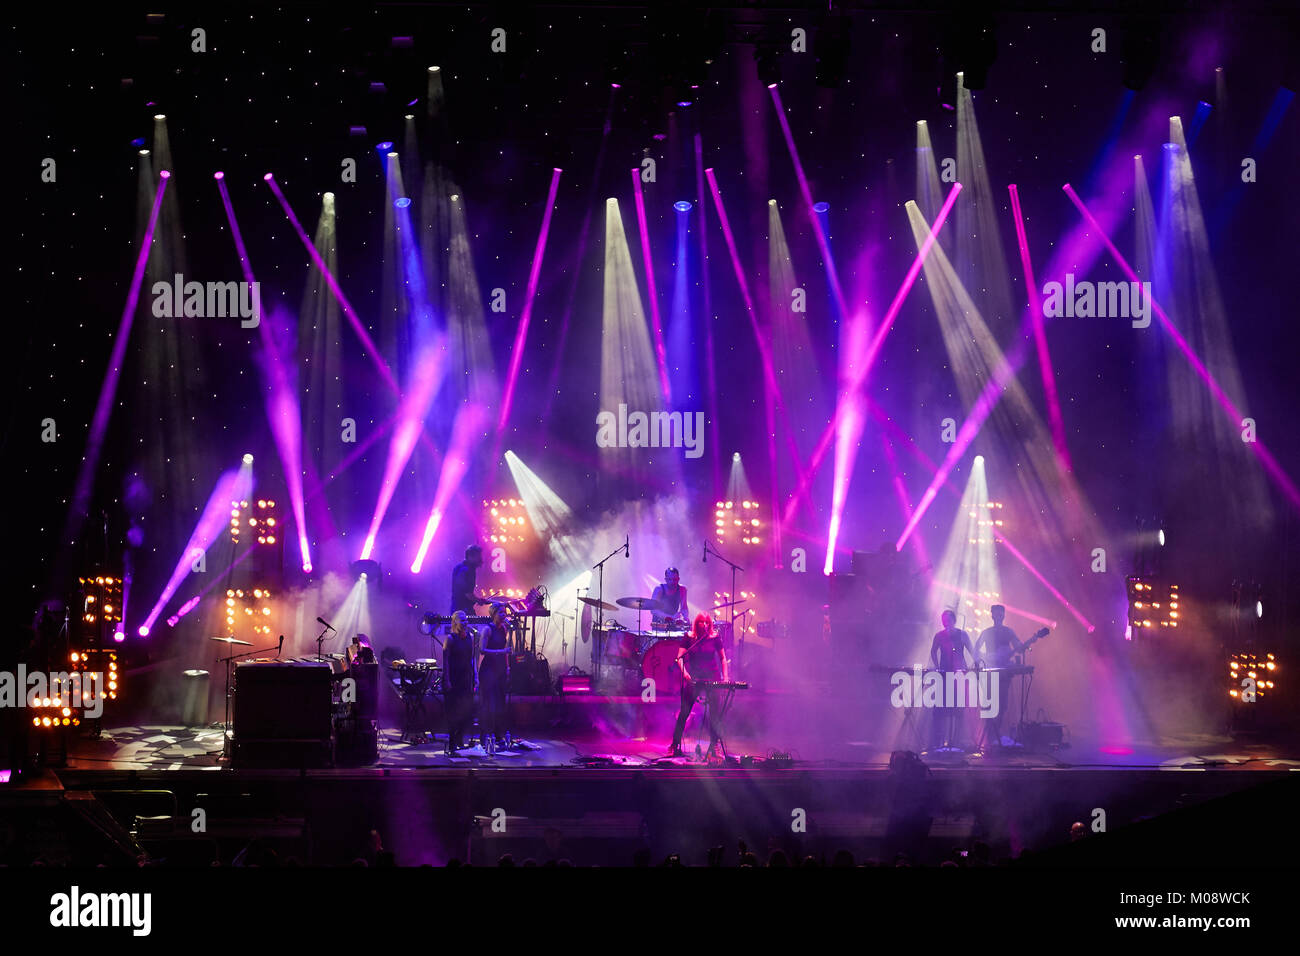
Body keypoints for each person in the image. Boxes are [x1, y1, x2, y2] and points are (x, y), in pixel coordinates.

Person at [670, 613, 729, 760]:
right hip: (694, 678)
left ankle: (715, 746)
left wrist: (725, 677)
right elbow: (679, 657)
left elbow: (722, 658)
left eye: (707, 622)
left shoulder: (715, 637)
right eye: (702, 622)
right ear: (696, 624)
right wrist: (685, 673)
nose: (705, 625)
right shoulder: (689, 637)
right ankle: (675, 744)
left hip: (712, 676)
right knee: (684, 711)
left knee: (715, 713)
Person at [975, 604, 1024, 749]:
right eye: (996, 614)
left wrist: (1023, 646)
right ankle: (990, 736)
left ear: (1004, 616)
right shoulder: (986, 632)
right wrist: (985, 657)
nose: (998, 616)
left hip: (1004, 673)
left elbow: (1018, 647)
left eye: (1001, 614)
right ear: (991, 615)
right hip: (990, 672)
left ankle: (995, 736)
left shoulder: (1009, 631)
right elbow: (975, 649)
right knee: (991, 704)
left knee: (1002, 705)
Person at [929, 609, 973, 750]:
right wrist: (937, 667)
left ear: (954, 620)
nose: (945, 622)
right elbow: (933, 651)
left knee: (958, 708)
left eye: (947, 619)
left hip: (959, 674)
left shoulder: (962, 634)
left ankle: (956, 740)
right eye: (943, 620)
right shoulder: (939, 636)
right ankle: (940, 741)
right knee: (941, 708)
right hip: (944, 674)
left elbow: (972, 651)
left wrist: (975, 664)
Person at [442, 611, 477, 753]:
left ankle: (459, 739)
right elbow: (445, 662)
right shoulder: (450, 639)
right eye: (462, 620)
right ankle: (452, 743)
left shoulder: (471, 637)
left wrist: (476, 676)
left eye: (466, 620)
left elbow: (472, 659)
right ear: (455, 622)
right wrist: (447, 680)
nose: (465, 622)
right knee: (453, 713)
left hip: (466, 679)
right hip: (454, 679)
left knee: (467, 711)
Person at [478, 602, 511, 753]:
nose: (504, 615)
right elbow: (482, 650)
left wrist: (508, 666)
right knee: (488, 704)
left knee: (500, 703)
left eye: (505, 613)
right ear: (494, 614)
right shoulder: (487, 629)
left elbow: (505, 651)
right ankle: (485, 735)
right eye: (501, 613)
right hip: (488, 670)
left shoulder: (504, 629)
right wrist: (501, 651)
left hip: (500, 669)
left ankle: (498, 735)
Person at [450, 545, 485, 615]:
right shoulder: (467, 570)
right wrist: (479, 601)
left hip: (457, 609)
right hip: (463, 611)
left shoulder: (458, 567)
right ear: (470, 556)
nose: (480, 559)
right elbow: (468, 594)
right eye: (478, 556)